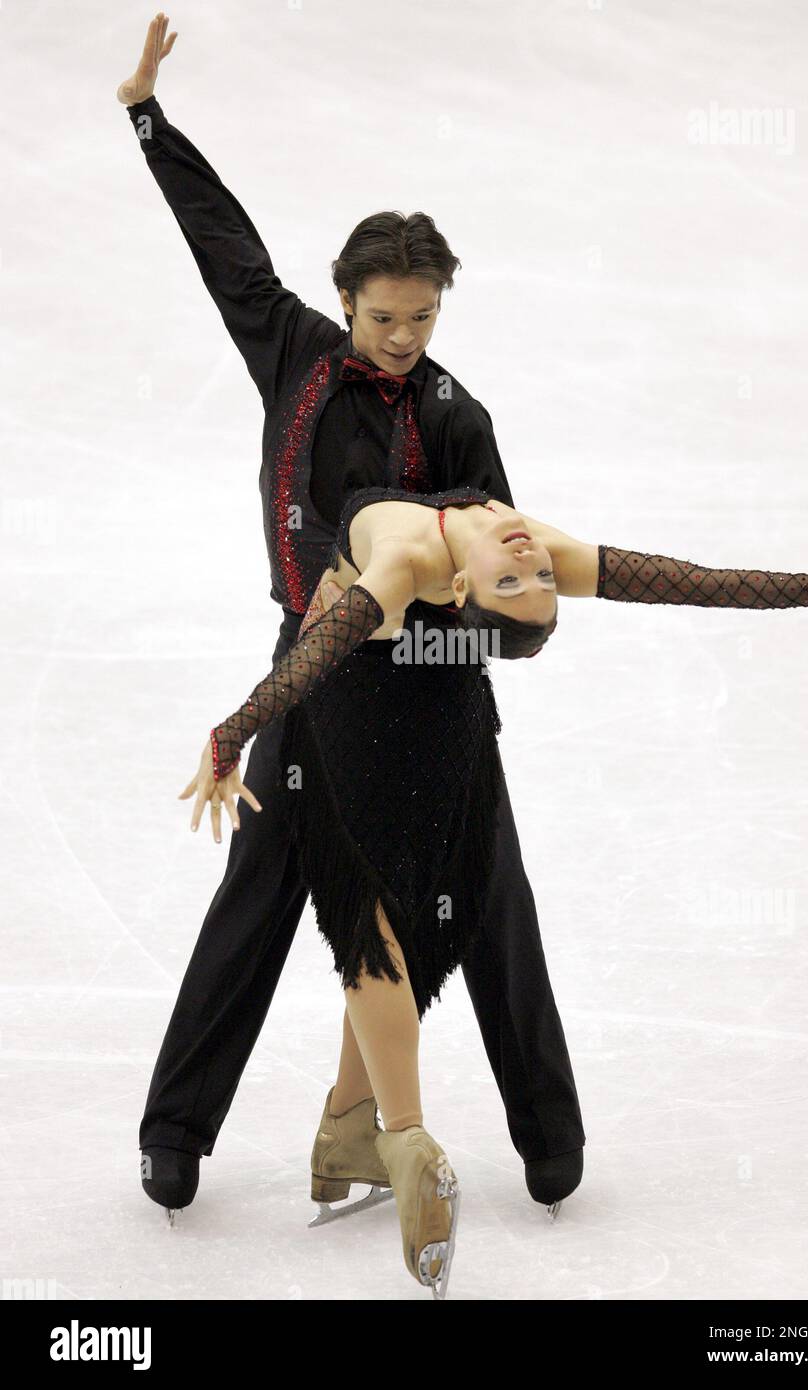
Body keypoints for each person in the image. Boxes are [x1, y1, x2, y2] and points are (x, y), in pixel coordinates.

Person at [118, 11, 585, 1237]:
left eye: (422, 318)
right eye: (385, 316)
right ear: (346, 300)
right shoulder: (298, 354)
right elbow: (224, 247)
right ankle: (176, 1131)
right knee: (262, 881)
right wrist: (149, 117)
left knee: (486, 891)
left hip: (434, 687)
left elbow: (524, 607)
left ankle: (552, 1138)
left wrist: (452, 636)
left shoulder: (461, 417)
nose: (403, 337)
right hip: (312, 675)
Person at [184, 483, 808, 1294]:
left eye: (521, 582)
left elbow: (323, 646)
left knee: (390, 916)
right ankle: (379, 1131)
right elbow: (691, 577)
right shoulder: (474, 548)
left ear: (456, 595)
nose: (530, 566)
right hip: (374, 709)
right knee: (375, 910)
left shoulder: (420, 558)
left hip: (386, 709)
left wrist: (232, 733)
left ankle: (370, 1129)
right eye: (531, 581)